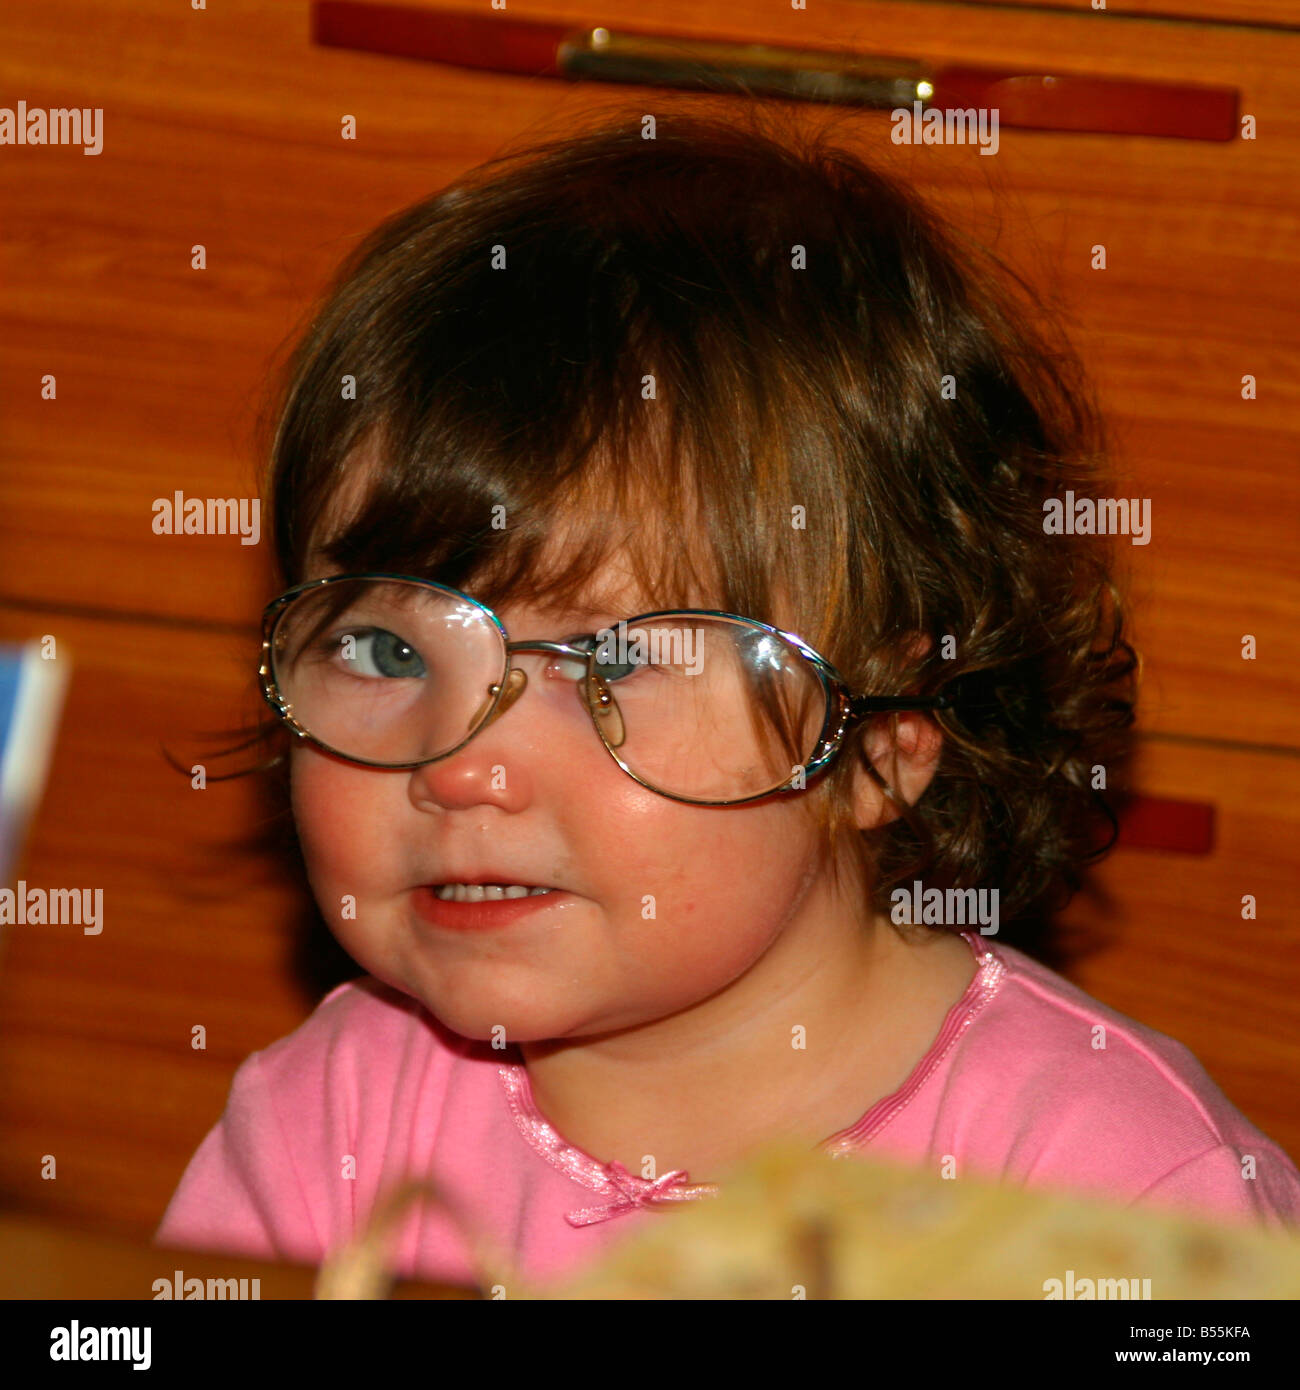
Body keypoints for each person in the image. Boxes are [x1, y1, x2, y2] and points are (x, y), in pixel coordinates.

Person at [154, 104, 1300, 1290]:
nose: (459, 767)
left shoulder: (1111, 1191)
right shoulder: (328, 1119)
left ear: (881, 746)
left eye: (613, 661)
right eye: (389, 654)